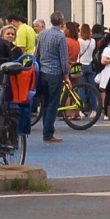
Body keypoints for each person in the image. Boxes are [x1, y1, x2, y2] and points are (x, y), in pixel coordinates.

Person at [34, 12, 72, 144]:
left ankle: (46, 129)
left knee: (44, 102)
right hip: (55, 73)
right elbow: (63, 58)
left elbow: (36, 53)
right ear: (61, 22)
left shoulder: (42, 35)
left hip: (43, 71)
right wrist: (66, 75)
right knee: (53, 103)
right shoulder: (60, 37)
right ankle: (48, 132)